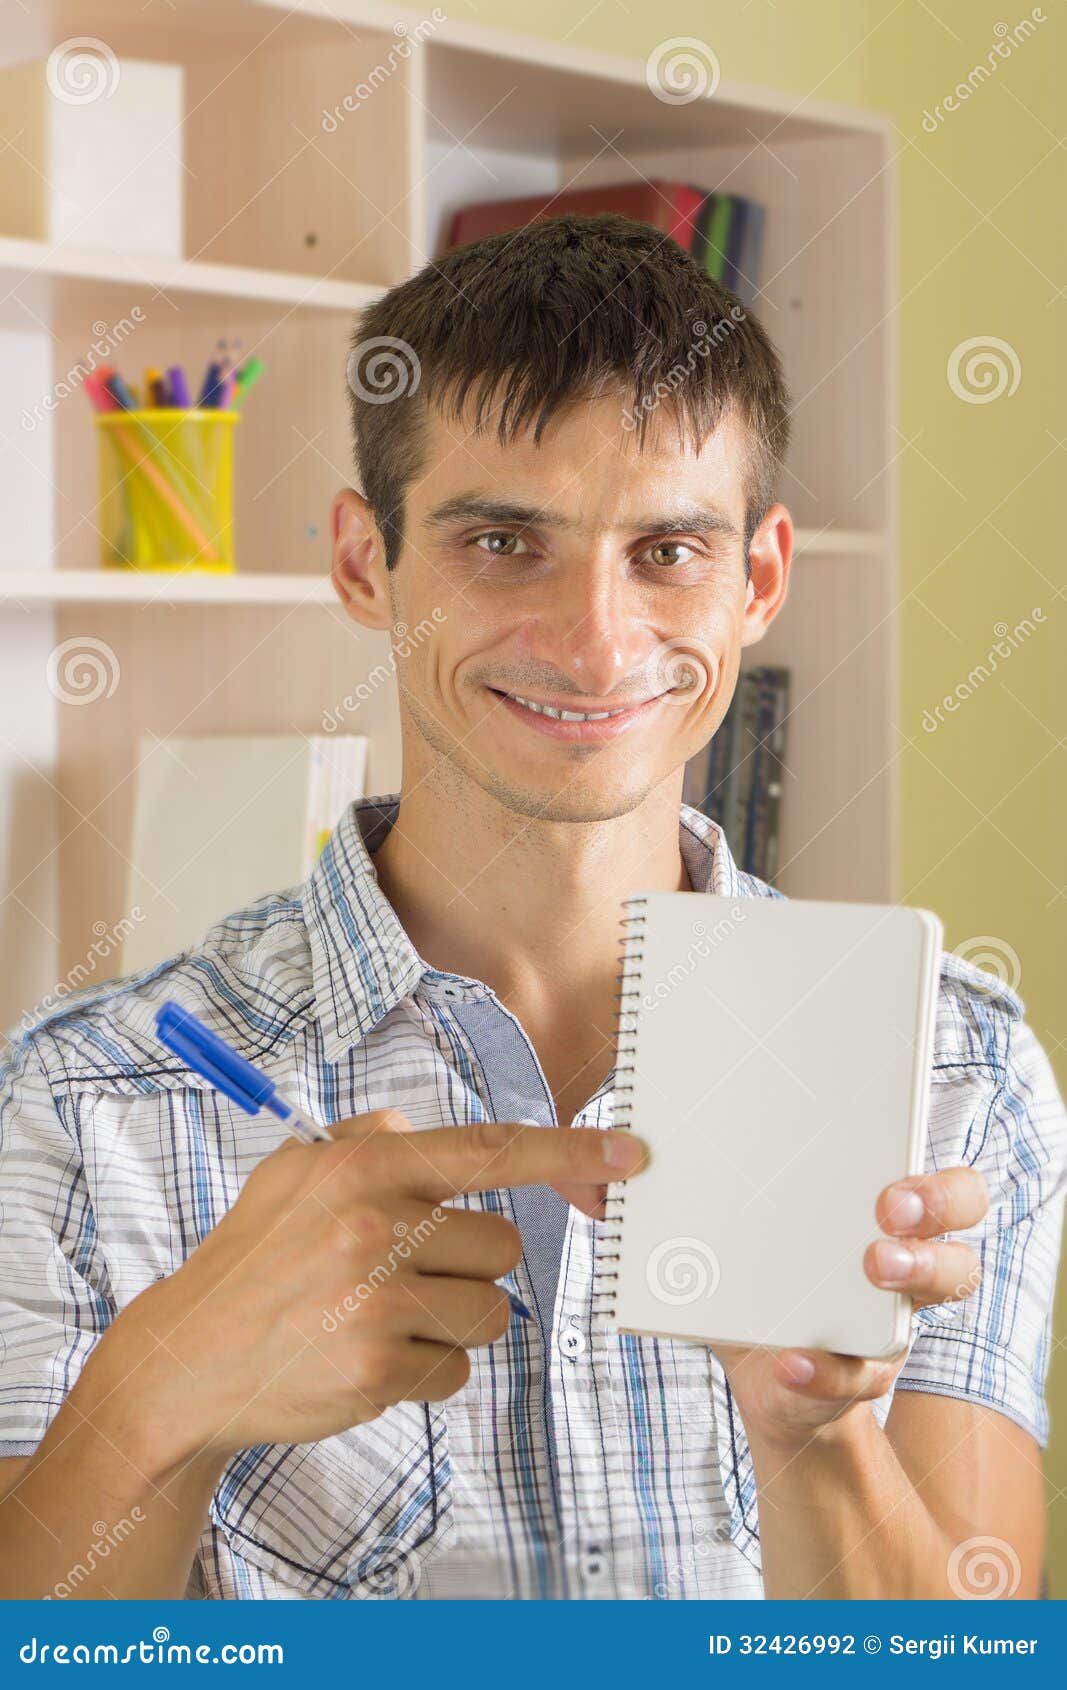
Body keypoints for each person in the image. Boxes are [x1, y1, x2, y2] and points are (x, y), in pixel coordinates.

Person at [0, 215, 1063, 1601]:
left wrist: (820, 1434)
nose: (595, 640)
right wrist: (159, 1390)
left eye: (669, 550)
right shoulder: (81, 1101)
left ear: (759, 579)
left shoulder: (952, 1068)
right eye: (505, 540)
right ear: (366, 564)